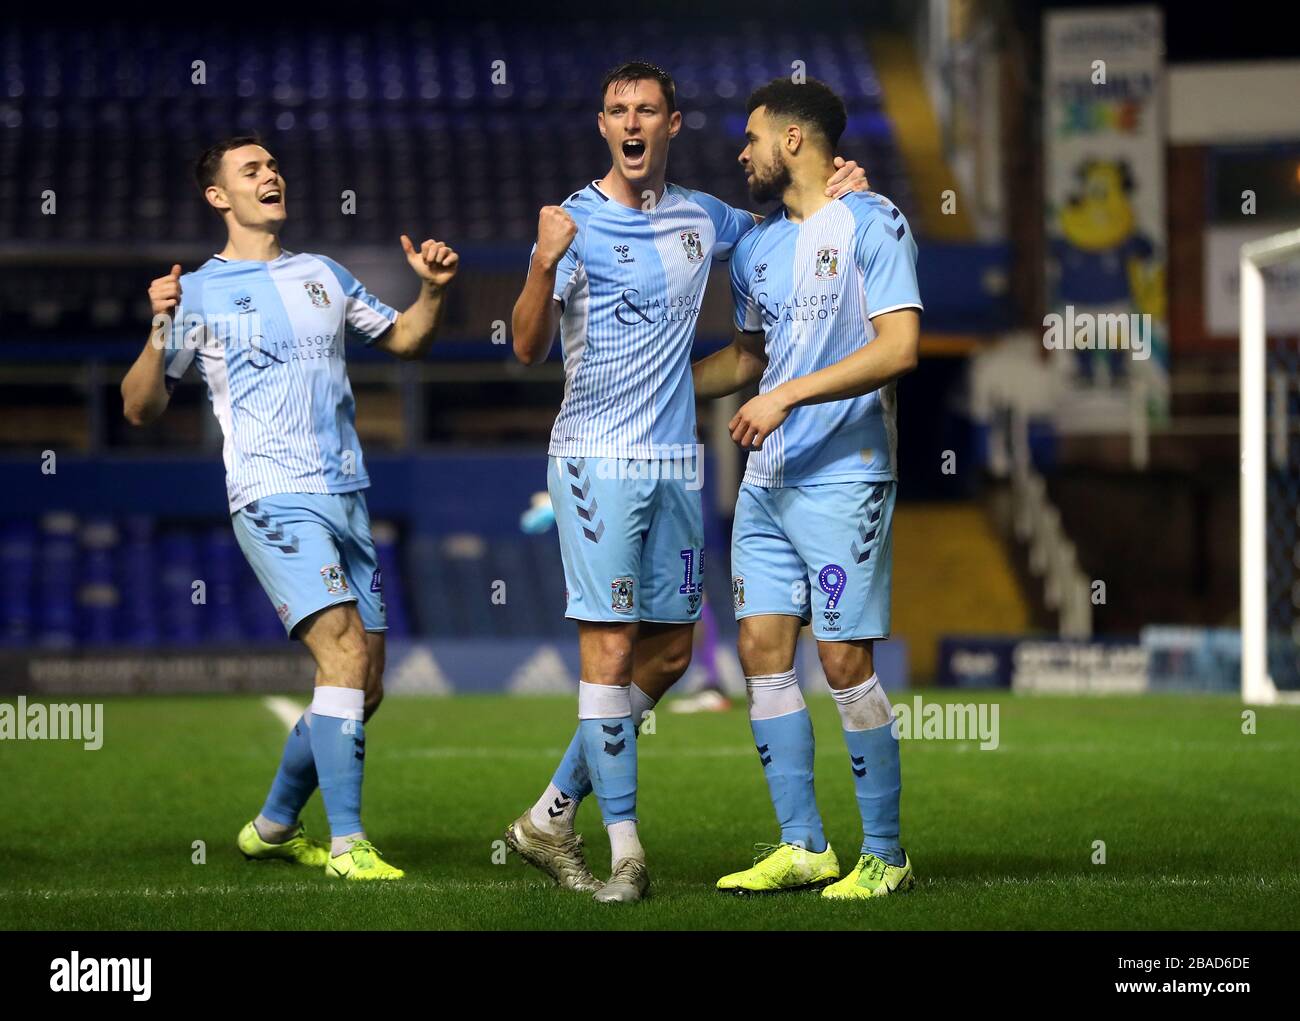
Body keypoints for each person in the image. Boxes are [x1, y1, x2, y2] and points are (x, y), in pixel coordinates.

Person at [120, 136, 459, 880]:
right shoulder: (198, 293)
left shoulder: (324, 276)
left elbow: (405, 340)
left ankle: (274, 825)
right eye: (252, 170)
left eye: (274, 165)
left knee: (363, 683)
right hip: (272, 494)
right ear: (219, 197)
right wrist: (157, 326)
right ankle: (348, 845)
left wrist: (431, 291)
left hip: (347, 492)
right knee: (339, 651)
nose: (271, 175)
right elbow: (139, 406)